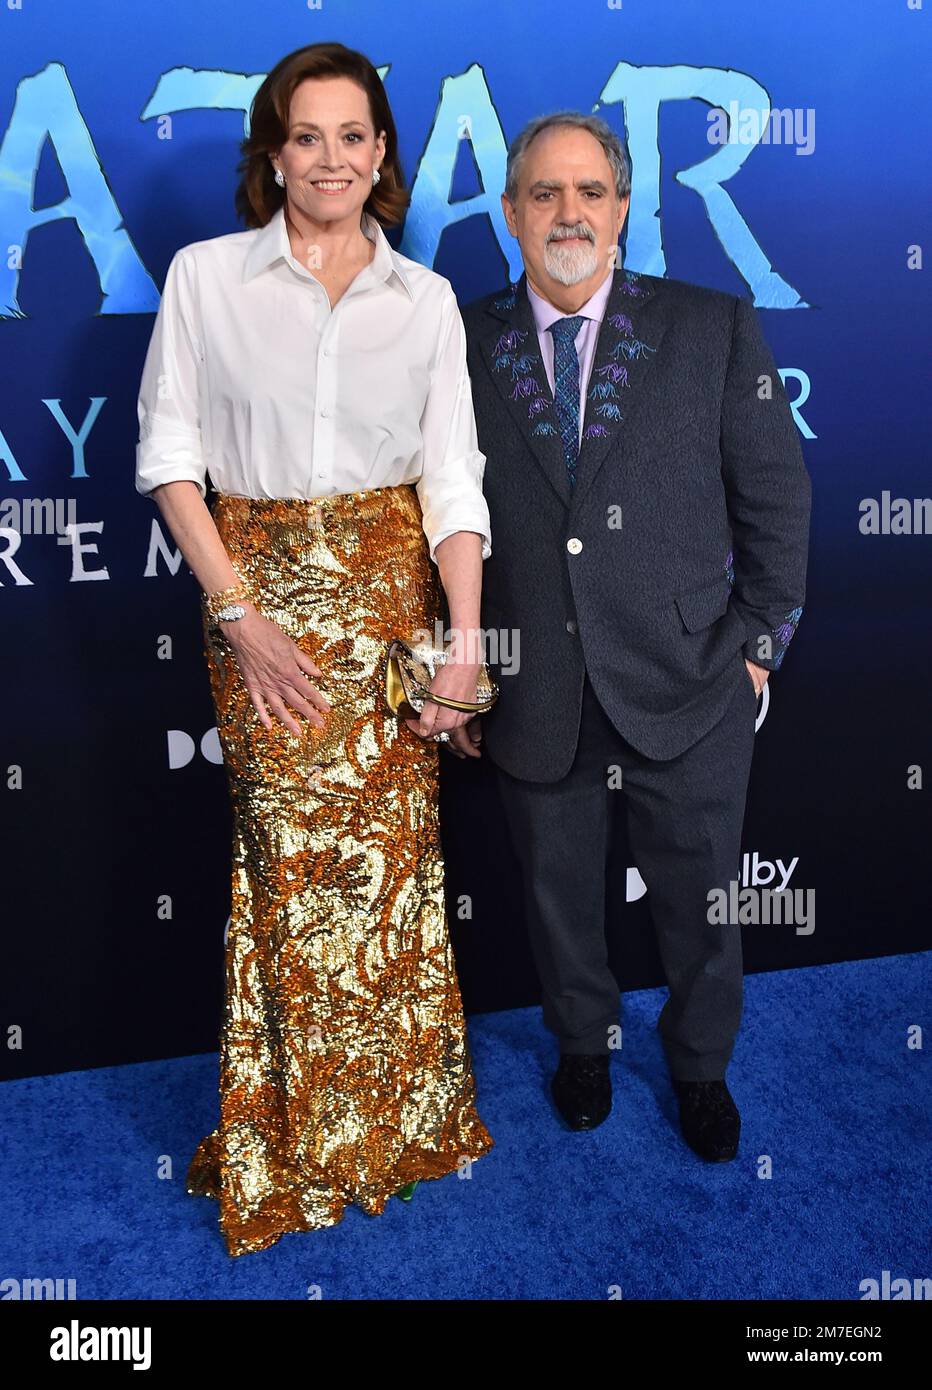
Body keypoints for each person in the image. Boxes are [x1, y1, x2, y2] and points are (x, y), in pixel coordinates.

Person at [134, 42, 493, 1257]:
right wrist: (240, 613)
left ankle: (395, 1123)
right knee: (289, 870)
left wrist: (458, 647)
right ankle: (288, 1138)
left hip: (393, 602)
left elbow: (451, 486)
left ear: (381, 153)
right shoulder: (205, 280)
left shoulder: (425, 299)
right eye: (306, 135)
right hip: (259, 602)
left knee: (395, 870)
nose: (329, 158)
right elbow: (171, 458)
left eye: (353, 135)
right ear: (272, 152)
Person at [455, 111, 811, 1160]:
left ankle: (698, 1067)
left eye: (591, 192)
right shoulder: (457, 338)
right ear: (512, 210)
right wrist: (458, 665)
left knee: (701, 906)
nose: (569, 213)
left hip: (688, 677)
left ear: (622, 209)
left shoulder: (711, 326)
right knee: (557, 898)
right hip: (534, 688)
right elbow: (424, 514)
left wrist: (757, 645)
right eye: (544, 194)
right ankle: (580, 1045)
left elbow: (776, 502)